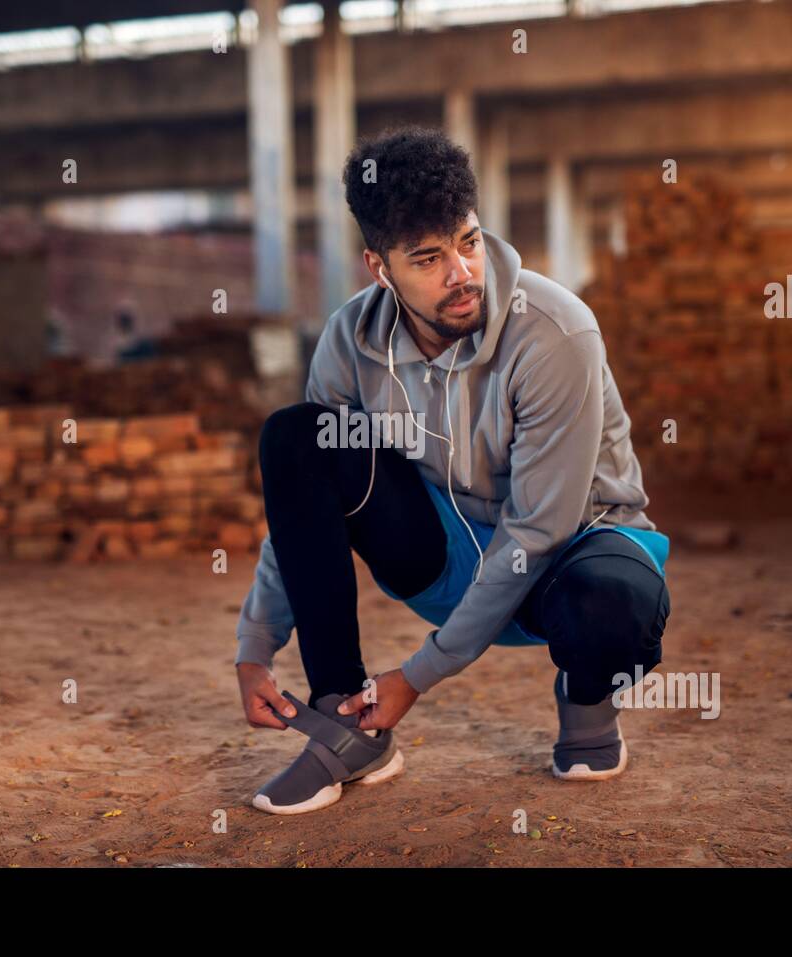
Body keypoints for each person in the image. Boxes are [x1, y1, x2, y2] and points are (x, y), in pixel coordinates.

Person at [235, 125, 671, 814]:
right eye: (429, 258)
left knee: (614, 604)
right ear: (380, 268)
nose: (462, 272)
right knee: (296, 436)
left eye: (467, 242)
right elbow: (300, 504)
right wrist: (255, 646)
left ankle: (588, 701)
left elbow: (537, 531)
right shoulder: (351, 340)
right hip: (443, 554)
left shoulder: (557, 332)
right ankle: (345, 722)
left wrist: (417, 675)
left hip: (567, 557)